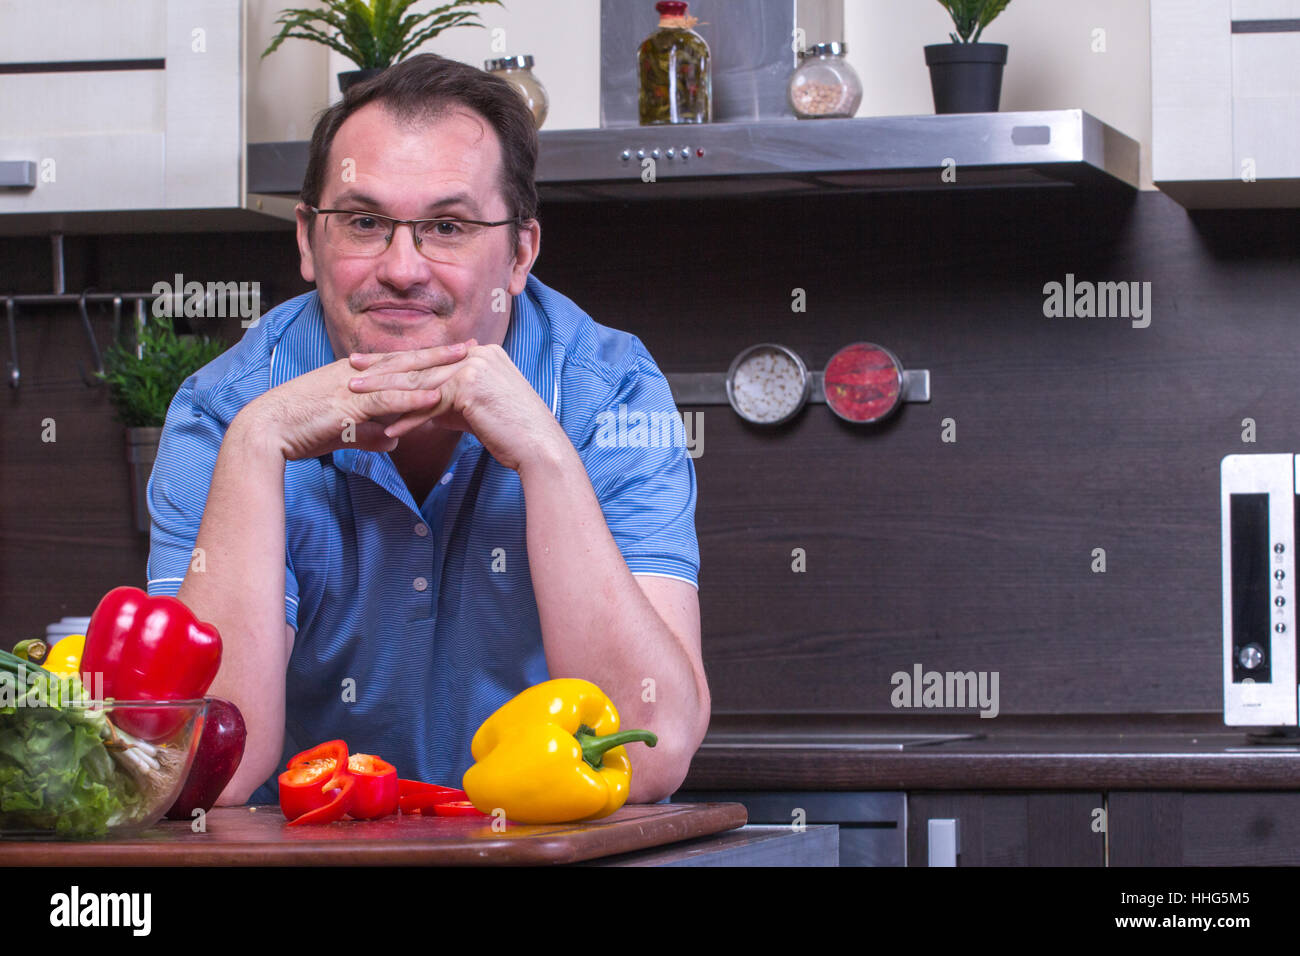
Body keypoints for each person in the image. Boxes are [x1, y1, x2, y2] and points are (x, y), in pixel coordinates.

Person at [144, 53, 709, 807]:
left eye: (448, 226)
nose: (403, 268)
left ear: (519, 253)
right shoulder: (222, 412)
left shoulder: (613, 396)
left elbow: (653, 752)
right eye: (365, 222)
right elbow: (211, 774)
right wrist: (258, 443)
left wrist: (545, 455)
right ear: (309, 242)